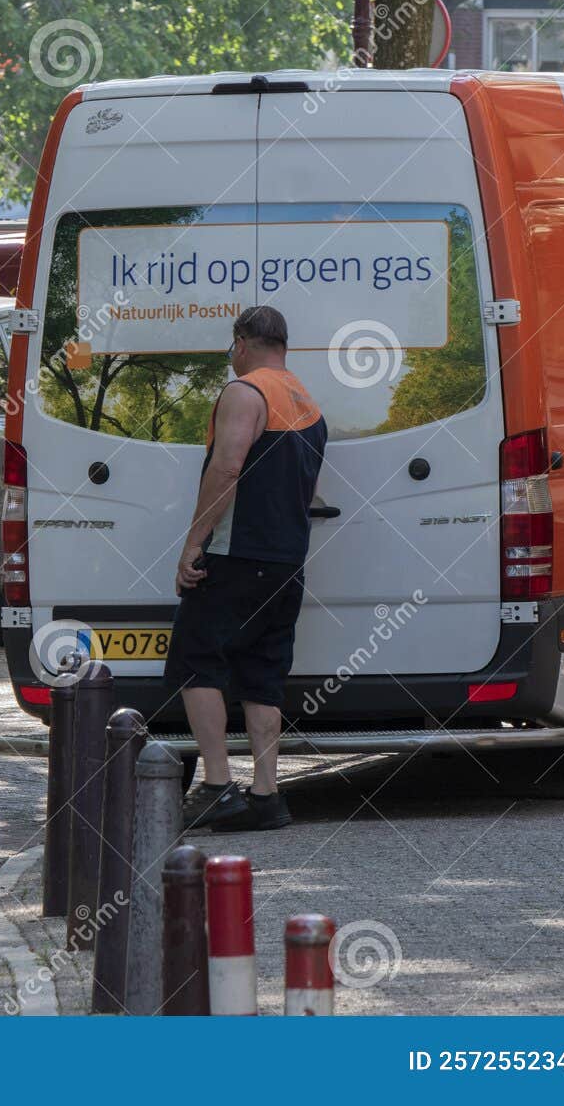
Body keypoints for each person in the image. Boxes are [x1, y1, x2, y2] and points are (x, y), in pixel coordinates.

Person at [163, 305, 327, 832]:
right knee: (263, 676)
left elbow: (229, 464)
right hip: (286, 563)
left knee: (195, 659)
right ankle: (266, 796)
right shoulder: (306, 401)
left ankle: (215, 786)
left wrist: (194, 542)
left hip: (238, 557)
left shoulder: (245, 393)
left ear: (241, 342)